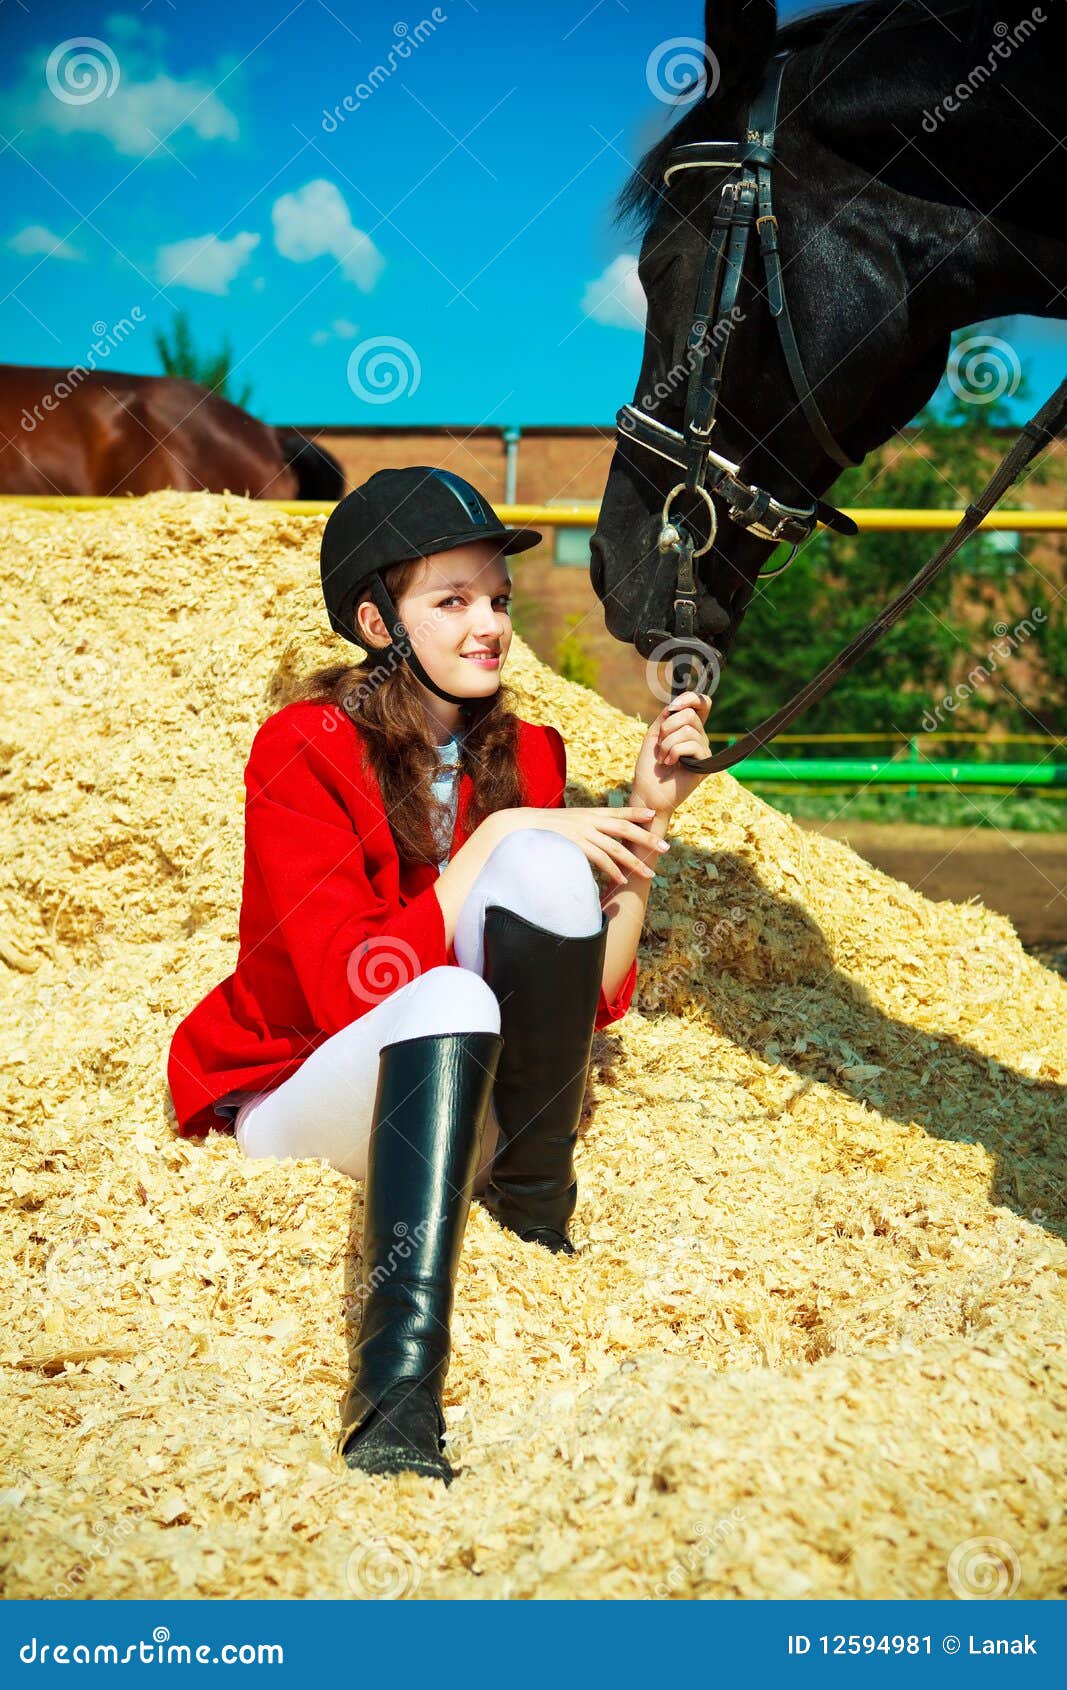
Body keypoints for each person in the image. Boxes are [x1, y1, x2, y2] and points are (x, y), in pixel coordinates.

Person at [166, 465, 712, 1485]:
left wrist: (650, 818)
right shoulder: (302, 748)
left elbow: (589, 995)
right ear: (377, 622)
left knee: (543, 868)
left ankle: (532, 1217)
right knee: (470, 966)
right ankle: (395, 1407)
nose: (489, 625)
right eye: (450, 600)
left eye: (497, 601)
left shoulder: (530, 755)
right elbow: (346, 993)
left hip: (465, 1112)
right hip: (306, 1093)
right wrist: (490, 842)